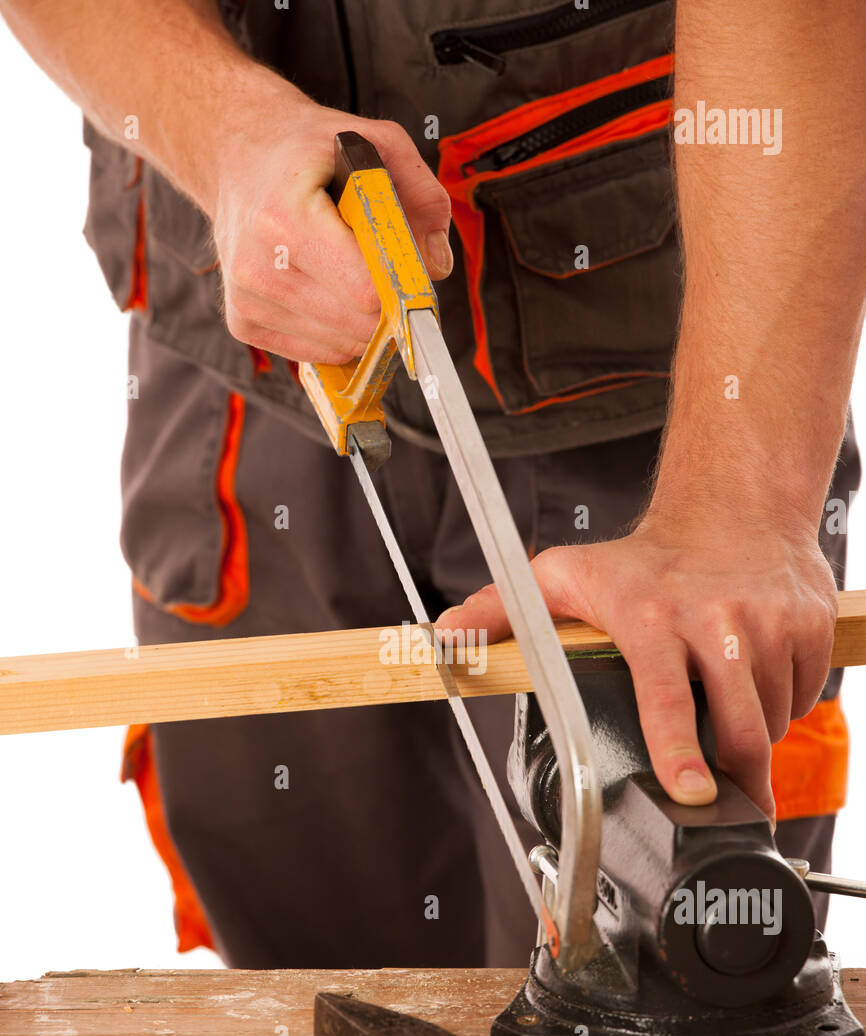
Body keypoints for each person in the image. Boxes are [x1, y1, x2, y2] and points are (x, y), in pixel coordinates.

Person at [2, 0, 862, 967]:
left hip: (656, 403)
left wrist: (740, 501)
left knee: (670, 970)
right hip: (250, 350)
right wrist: (223, 131)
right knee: (308, 983)